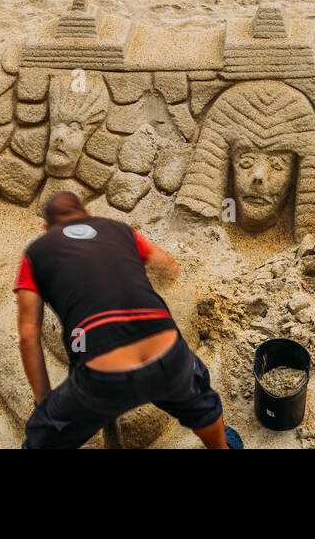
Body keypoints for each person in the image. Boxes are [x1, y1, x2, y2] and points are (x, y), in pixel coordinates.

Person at [15, 191, 240, 449]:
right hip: (168, 357)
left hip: (103, 378)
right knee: (199, 392)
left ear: (47, 229)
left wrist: (44, 400)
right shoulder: (120, 230)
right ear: (87, 215)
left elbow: (28, 335)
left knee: (42, 436)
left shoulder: (36, 252)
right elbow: (169, 266)